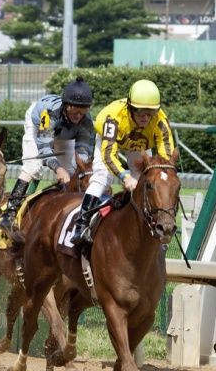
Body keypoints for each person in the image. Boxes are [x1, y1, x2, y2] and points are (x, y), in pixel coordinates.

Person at [67, 79, 177, 246]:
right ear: (130, 108)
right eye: (140, 112)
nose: (146, 118)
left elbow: (165, 160)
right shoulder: (113, 119)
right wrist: (125, 176)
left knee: (146, 180)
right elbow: (109, 155)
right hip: (110, 143)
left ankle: (152, 224)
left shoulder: (161, 122)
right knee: (102, 177)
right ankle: (81, 224)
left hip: (138, 146)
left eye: (151, 113)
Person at [0, 77, 94, 232]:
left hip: (63, 133)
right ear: (65, 105)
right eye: (74, 110)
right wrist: (58, 169)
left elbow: (83, 153)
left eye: (83, 111)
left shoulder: (86, 121)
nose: (78, 115)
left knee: (73, 171)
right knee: (33, 167)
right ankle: (10, 211)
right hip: (37, 125)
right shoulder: (50, 113)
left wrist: (79, 170)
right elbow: (44, 148)